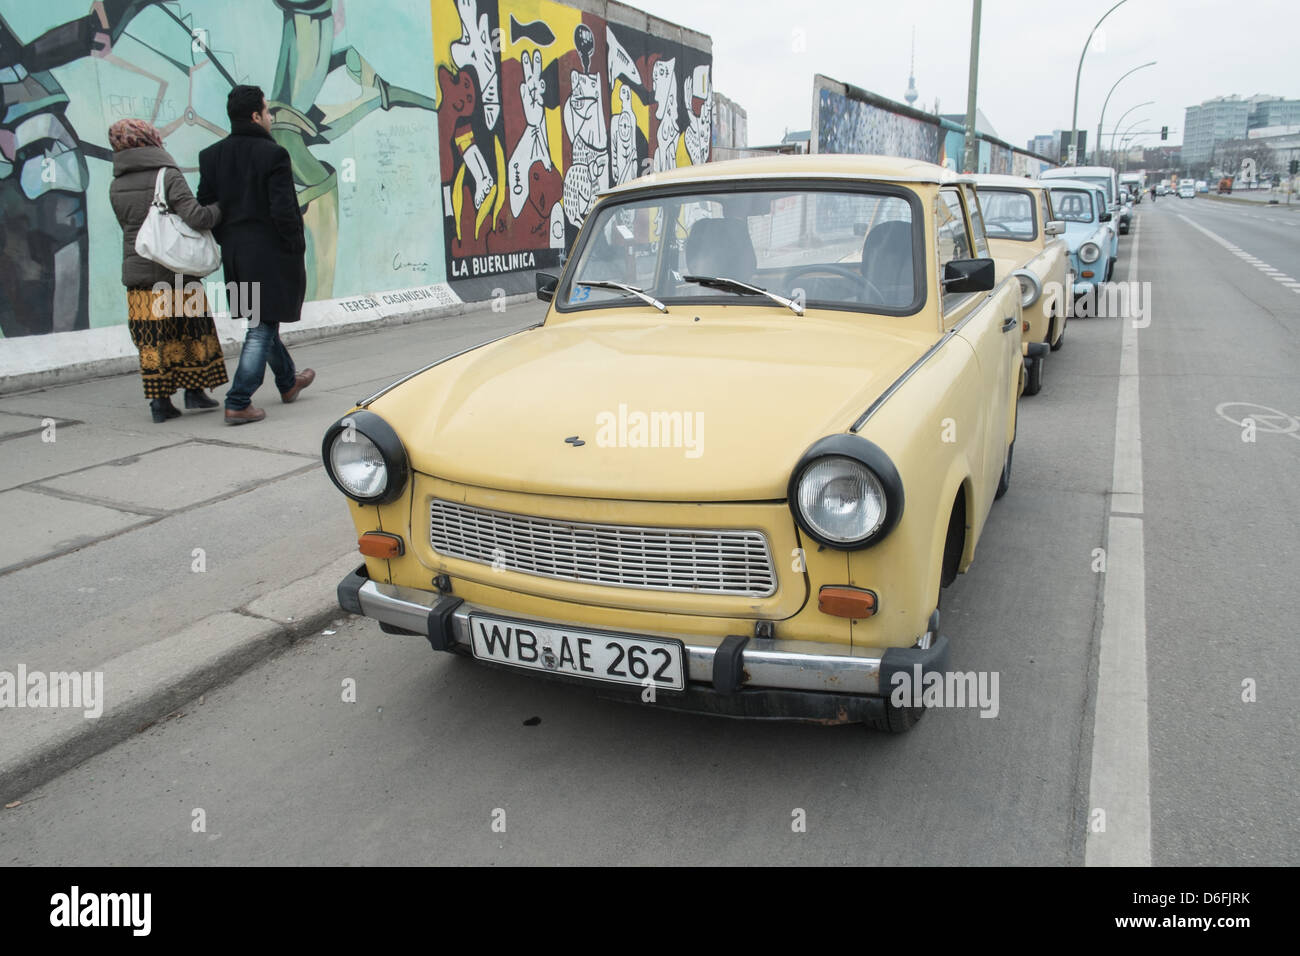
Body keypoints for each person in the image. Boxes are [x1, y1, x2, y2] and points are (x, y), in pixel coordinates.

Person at [198, 85, 314, 425]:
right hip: (270, 254)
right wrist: (295, 247)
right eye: (266, 111)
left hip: (236, 255)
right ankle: (238, 399)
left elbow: (207, 207)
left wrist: (229, 238)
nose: (269, 116)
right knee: (261, 326)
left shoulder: (211, 155)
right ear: (255, 116)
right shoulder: (273, 155)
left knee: (262, 320)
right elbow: (284, 210)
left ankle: (288, 382)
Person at [108, 119, 227, 422]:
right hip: (176, 272)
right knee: (191, 331)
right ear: (151, 139)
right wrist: (220, 208)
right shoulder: (167, 175)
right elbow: (197, 217)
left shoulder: (116, 183)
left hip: (138, 275)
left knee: (152, 338)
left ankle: (160, 403)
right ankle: (195, 392)